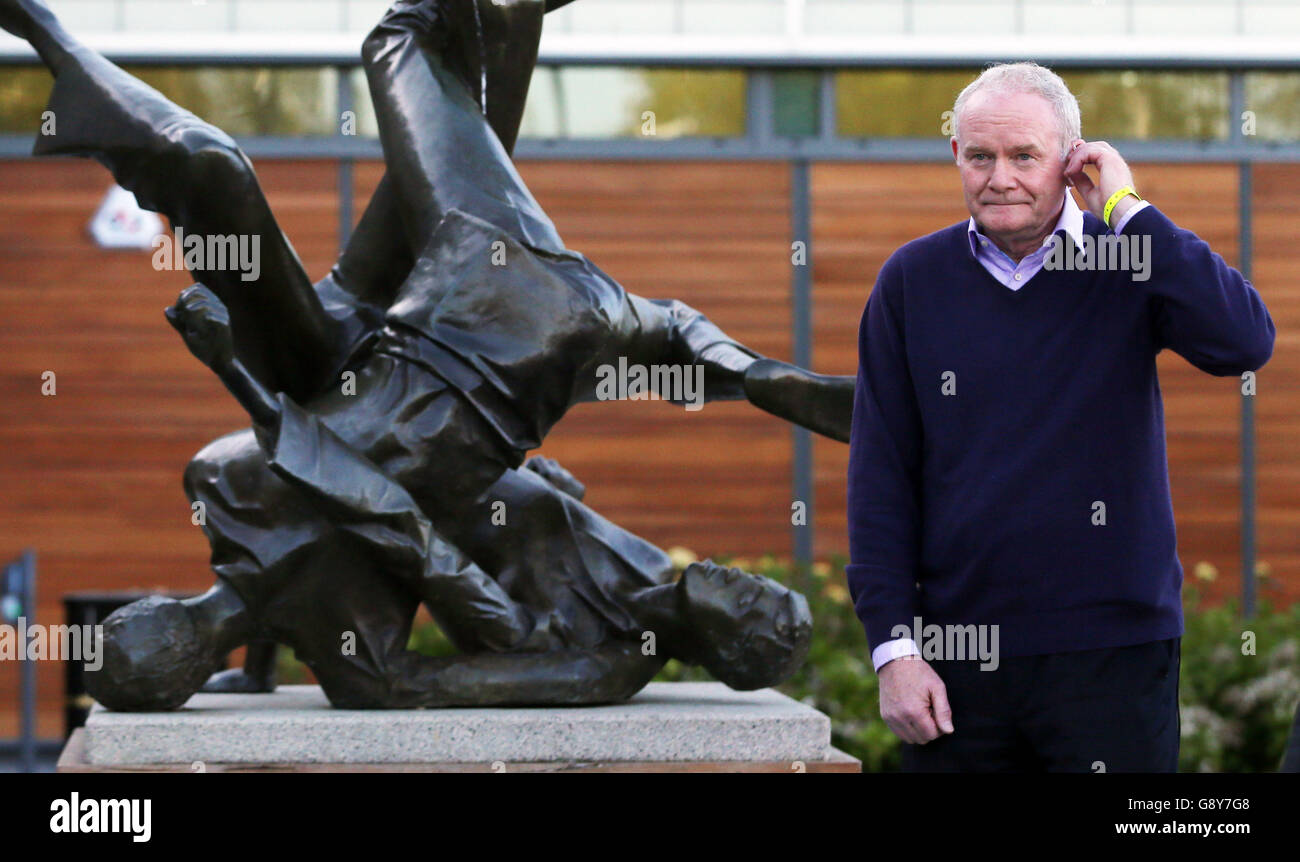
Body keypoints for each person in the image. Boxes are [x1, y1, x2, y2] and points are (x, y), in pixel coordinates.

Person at [0, 0, 831, 708]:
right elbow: (384, 534)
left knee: (216, 168)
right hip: (412, 352)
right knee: (446, 157)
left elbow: (393, 547)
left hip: (397, 352)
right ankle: (496, 18)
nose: (159, 610)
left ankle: (48, 35)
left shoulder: (224, 492)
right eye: (161, 622)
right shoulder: (237, 501)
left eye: (154, 619)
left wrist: (229, 366)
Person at [846, 61, 1276, 772]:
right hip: (957, 665)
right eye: (980, 156)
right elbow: (880, 477)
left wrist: (1128, 209)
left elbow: (1244, 342)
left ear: (1073, 159)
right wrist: (894, 650)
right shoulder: (911, 282)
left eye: (1024, 156)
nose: (1000, 178)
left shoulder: (1129, 260)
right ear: (955, 154)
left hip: (1114, 656)